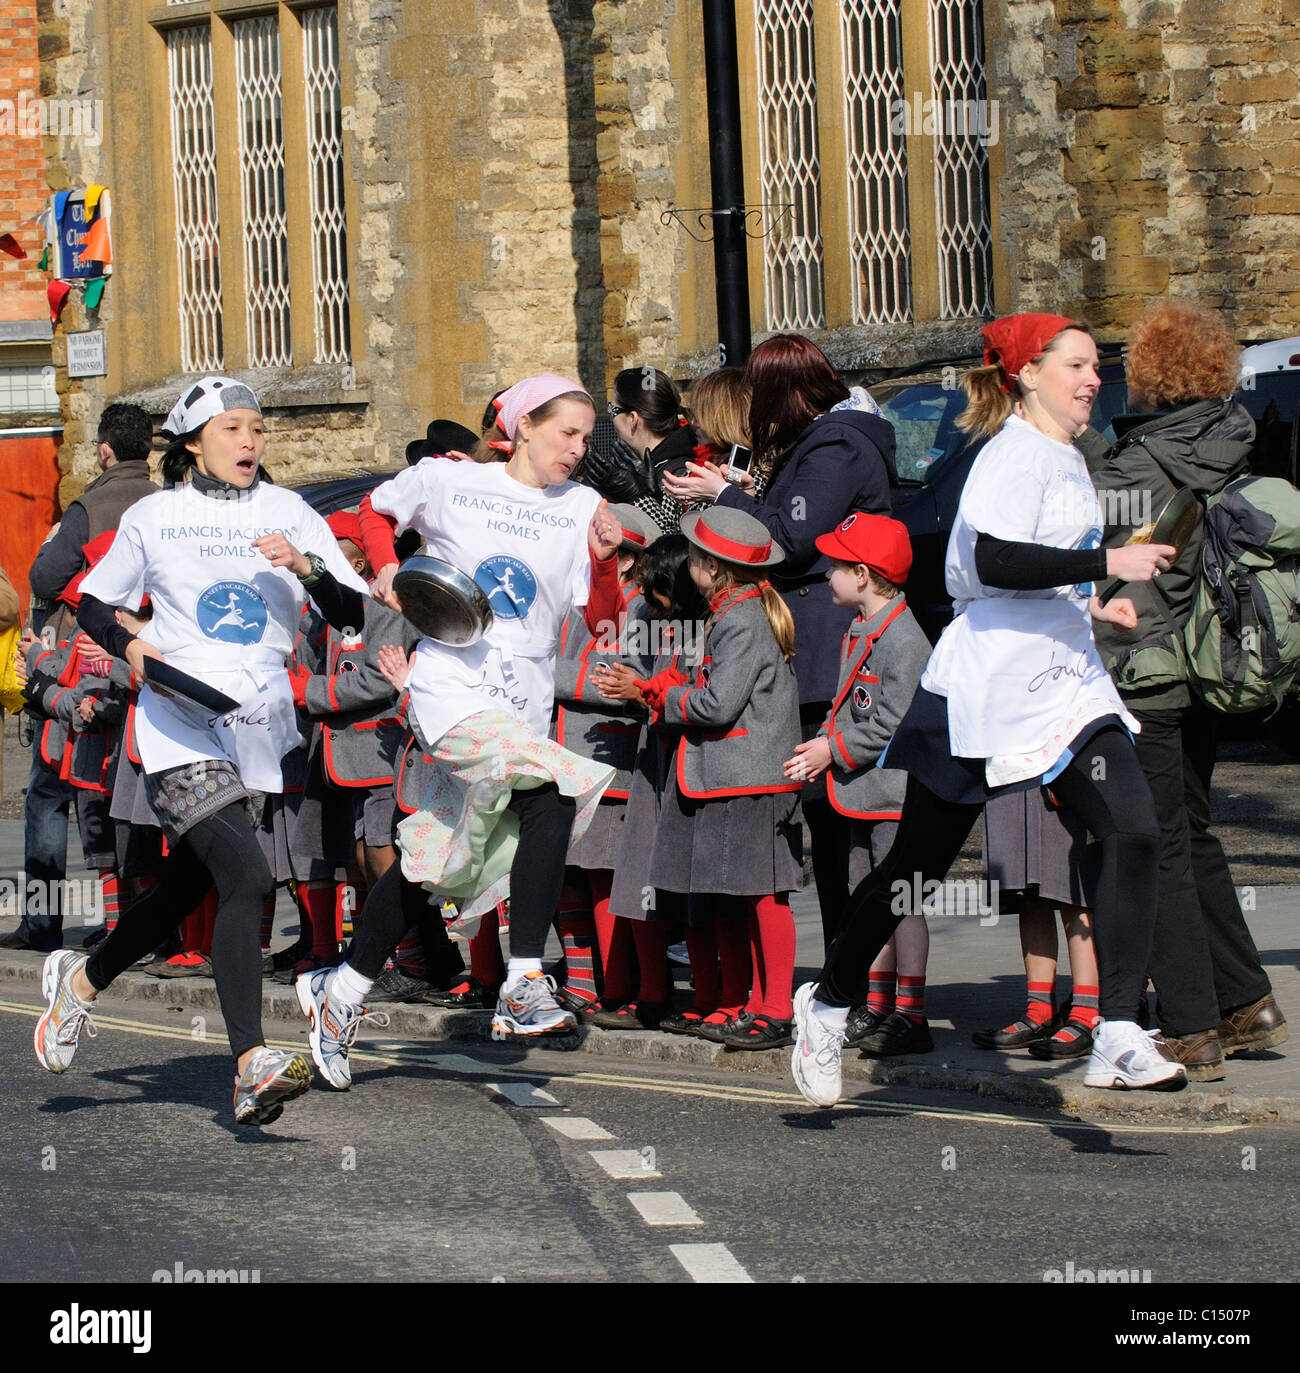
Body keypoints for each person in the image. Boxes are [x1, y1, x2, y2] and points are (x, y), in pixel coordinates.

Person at [788, 313, 1187, 1106]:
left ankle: (1115, 1030)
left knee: (1133, 830)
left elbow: (1032, 565)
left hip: (1065, 683)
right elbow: (999, 559)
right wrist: (1107, 559)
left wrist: (1091, 599)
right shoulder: (1008, 455)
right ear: (1028, 374)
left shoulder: (1069, 458)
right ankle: (828, 1003)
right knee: (914, 869)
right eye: (1076, 364)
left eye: (1095, 365)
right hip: (983, 687)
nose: (1093, 378)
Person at [33, 376, 371, 1126]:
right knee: (248, 877)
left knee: (188, 886)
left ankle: (83, 981)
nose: (250, 441)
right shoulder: (158, 514)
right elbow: (90, 600)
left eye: (257, 428)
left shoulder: (291, 512)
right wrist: (136, 647)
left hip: (259, 727)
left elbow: (351, 611)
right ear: (192, 442)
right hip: (178, 719)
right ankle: (252, 1062)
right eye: (232, 429)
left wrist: (308, 568)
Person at [294, 372, 626, 1086]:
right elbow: (370, 511)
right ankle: (526, 977)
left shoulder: (584, 506)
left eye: (586, 437)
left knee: (435, 865)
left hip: (522, 703)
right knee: (550, 794)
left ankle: (340, 990)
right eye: (566, 432)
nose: (578, 448)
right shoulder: (452, 483)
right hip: (450, 689)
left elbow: (601, 618)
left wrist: (602, 560)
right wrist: (386, 568)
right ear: (524, 426)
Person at [1081, 298, 1288, 1079]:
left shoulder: (1140, 462)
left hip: (1147, 674)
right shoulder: (1228, 439)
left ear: (1153, 377)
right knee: (1193, 834)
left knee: (1157, 842)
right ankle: (1245, 999)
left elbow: (1109, 561)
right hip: (1208, 666)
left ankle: (1193, 1024)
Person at [663, 334, 896, 953]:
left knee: (834, 818)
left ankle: (859, 979)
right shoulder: (827, 441)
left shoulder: (839, 443)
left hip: (824, 645)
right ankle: (850, 974)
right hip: (816, 639)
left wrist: (726, 498)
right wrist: (743, 492)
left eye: (765, 396)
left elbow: (791, 539)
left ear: (790, 391)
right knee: (827, 818)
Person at [600, 507, 803, 1048]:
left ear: (712, 566)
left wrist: (659, 697)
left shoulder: (741, 619)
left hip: (748, 778)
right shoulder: (728, 612)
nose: (688, 562)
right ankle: (752, 1004)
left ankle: (774, 1009)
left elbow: (715, 704)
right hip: (728, 777)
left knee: (764, 896)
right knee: (734, 896)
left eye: (694, 556)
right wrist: (646, 688)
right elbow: (694, 677)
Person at [5, 404, 157, 954]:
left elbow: (45, 576)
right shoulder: (165, 503)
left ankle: (42, 926)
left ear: (104, 450)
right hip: (148, 654)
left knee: (50, 790)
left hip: (85, 655)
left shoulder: (90, 504)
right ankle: (144, 925)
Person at [784, 513, 931, 1055]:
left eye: (838, 565)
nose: (827, 575)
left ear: (864, 575)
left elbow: (893, 721)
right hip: (861, 793)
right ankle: (876, 1002)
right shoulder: (863, 627)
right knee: (869, 901)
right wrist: (824, 741)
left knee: (903, 901)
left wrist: (831, 749)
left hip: (892, 795)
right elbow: (847, 704)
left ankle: (911, 1015)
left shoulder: (904, 637)